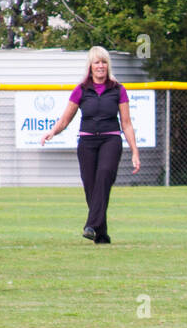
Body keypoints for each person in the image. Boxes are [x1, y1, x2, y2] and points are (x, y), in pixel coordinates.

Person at [40, 47, 139, 242]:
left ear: (107, 65)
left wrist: (135, 152)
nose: (100, 66)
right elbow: (65, 120)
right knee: (91, 187)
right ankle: (101, 235)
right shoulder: (81, 90)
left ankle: (91, 225)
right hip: (87, 142)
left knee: (104, 176)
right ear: (90, 66)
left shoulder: (118, 89)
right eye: (97, 62)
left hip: (110, 140)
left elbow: (126, 123)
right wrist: (52, 132)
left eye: (103, 62)